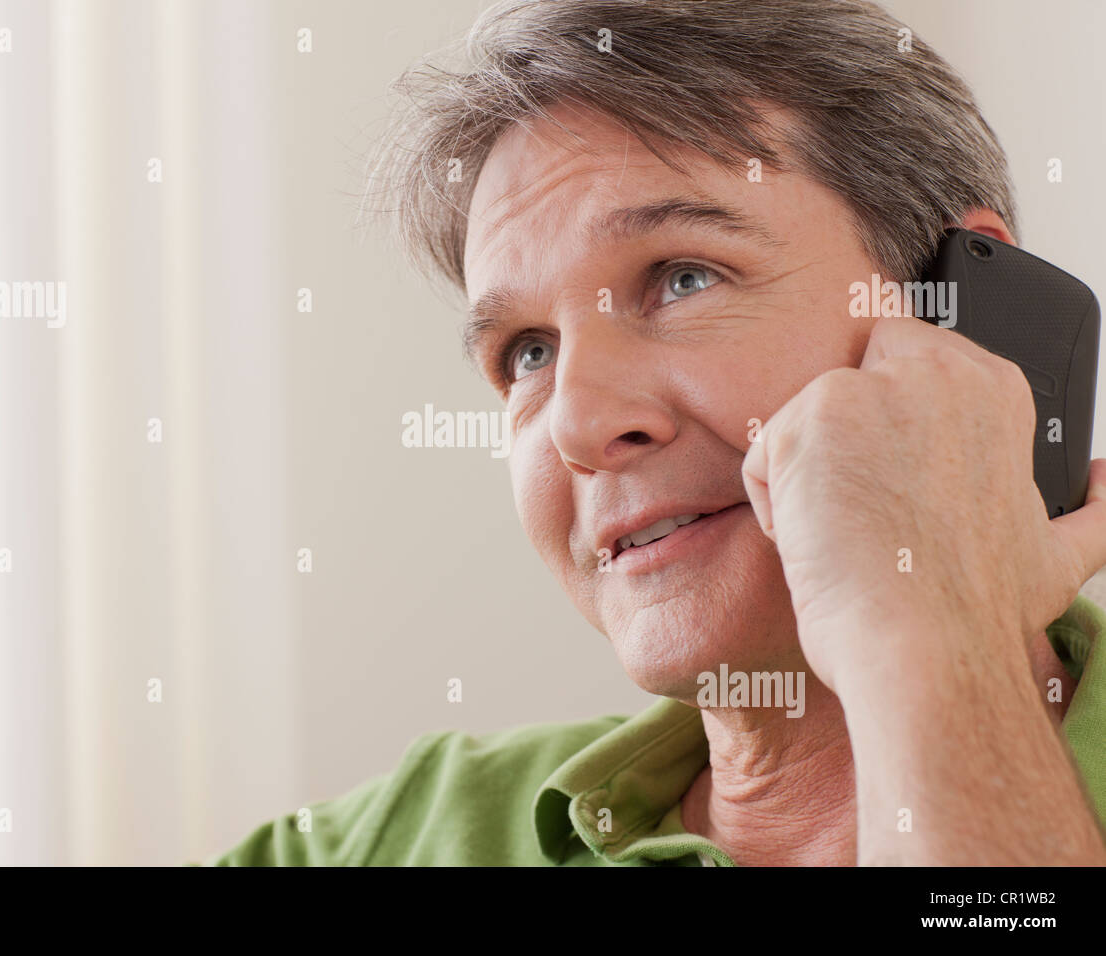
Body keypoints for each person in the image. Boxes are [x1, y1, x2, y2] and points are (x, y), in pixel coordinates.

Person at [209, 0, 1106, 866]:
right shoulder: (396, 838)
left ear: (966, 319)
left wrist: (935, 633)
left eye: (683, 279)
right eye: (527, 353)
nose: (579, 423)